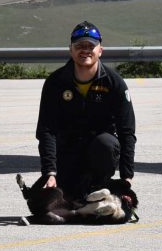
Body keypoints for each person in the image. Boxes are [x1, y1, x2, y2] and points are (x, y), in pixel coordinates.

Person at [37, 21, 136, 204]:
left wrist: (126, 177)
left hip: (99, 152)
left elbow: (126, 132)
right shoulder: (55, 83)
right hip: (67, 152)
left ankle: (100, 186)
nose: (85, 50)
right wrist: (49, 173)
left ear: (100, 50)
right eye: (79, 45)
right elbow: (46, 130)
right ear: (70, 49)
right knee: (58, 201)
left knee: (106, 143)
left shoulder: (114, 84)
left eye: (91, 46)